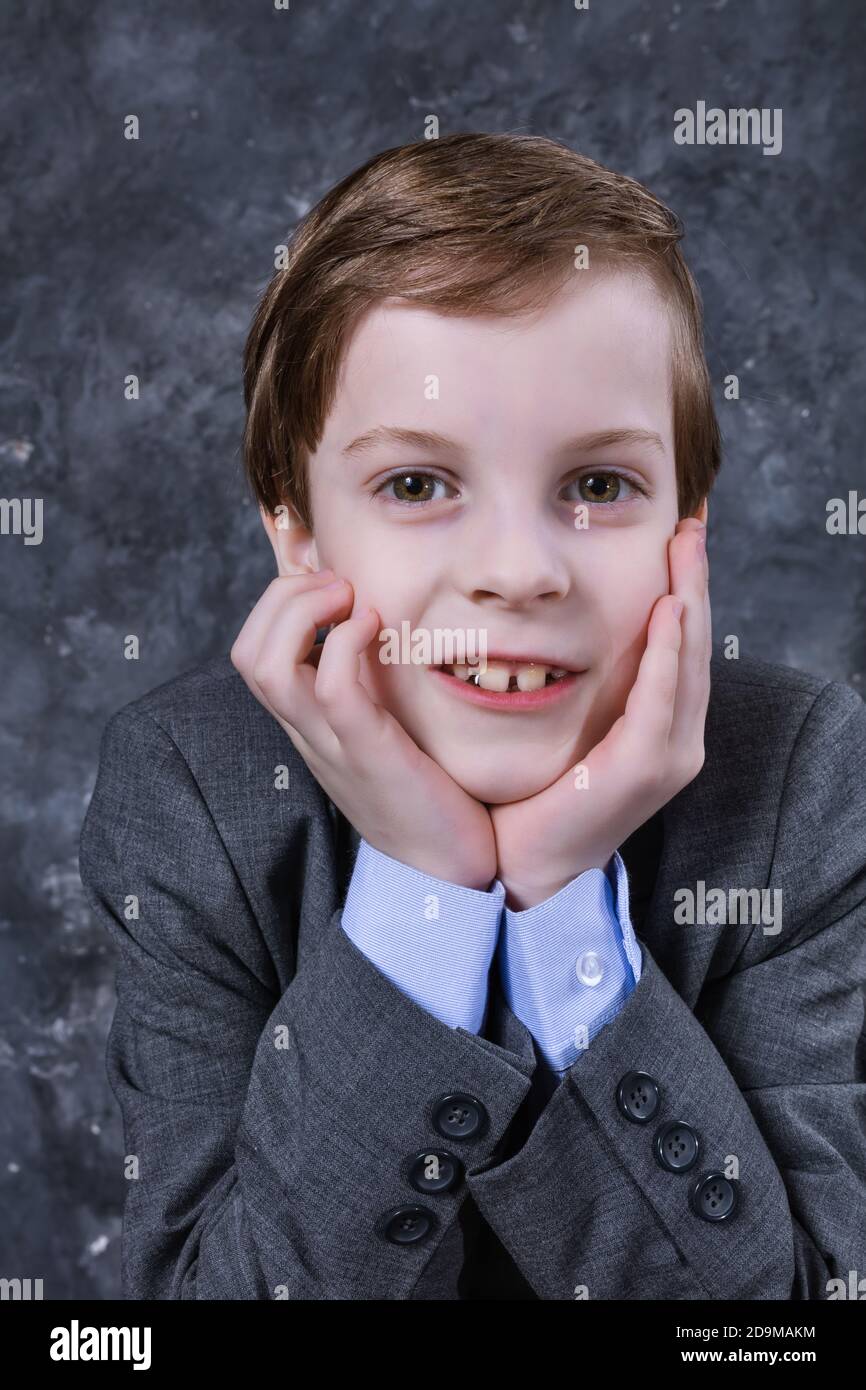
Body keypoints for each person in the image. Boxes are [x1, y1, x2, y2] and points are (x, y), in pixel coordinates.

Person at [79, 132, 866, 1300]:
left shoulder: (800, 774)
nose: (516, 570)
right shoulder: (188, 790)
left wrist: (558, 910)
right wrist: (424, 892)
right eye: (415, 484)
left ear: (684, 525)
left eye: (598, 486)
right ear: (294, 528)